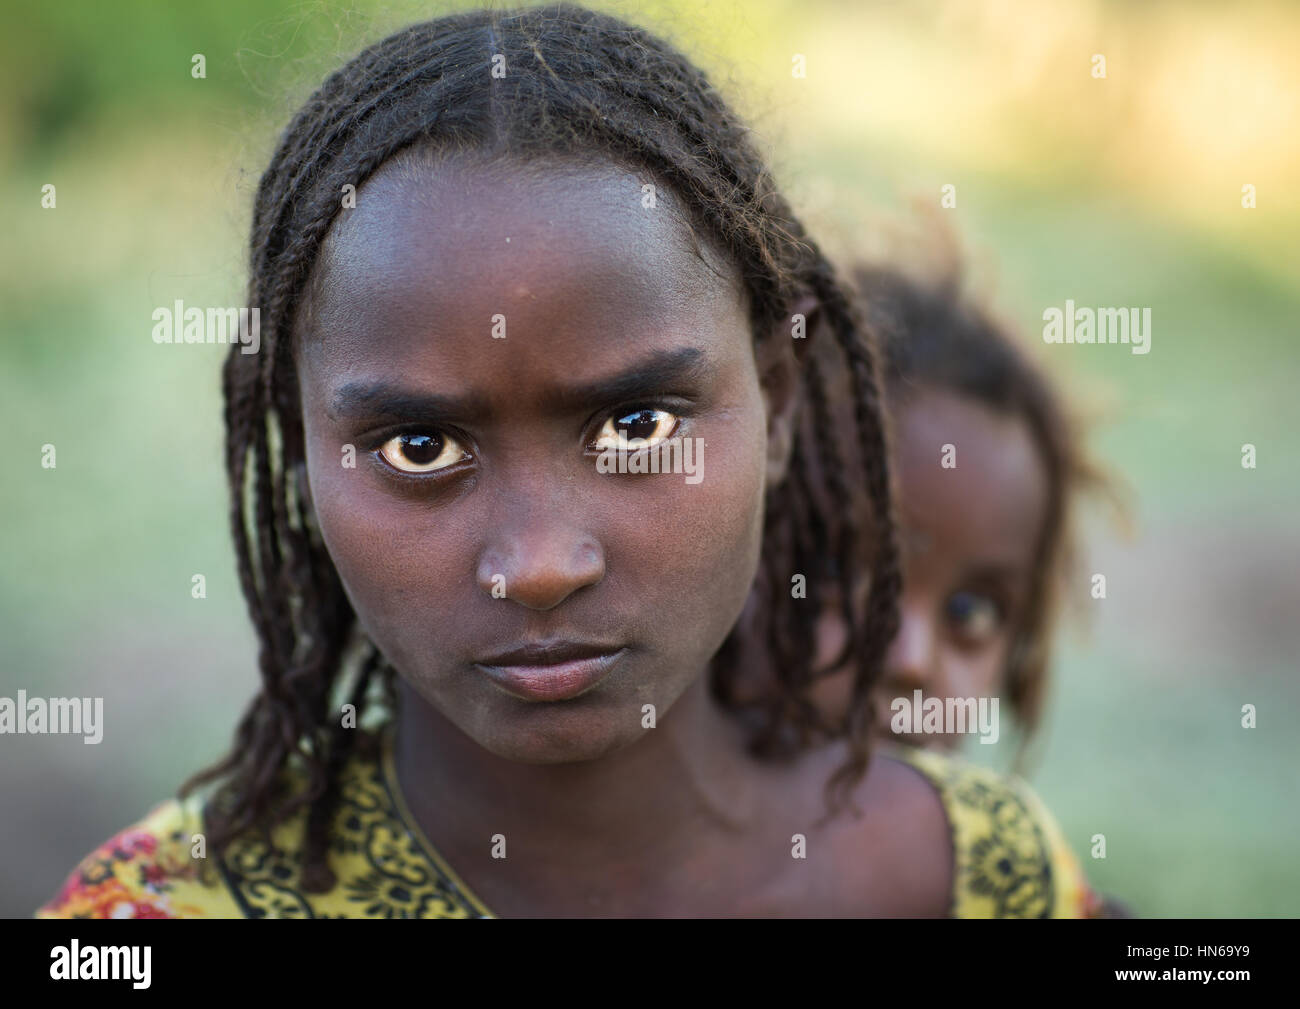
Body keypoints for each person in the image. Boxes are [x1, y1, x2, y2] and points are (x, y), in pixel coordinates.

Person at [38, 3, 1096, 918]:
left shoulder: (976, 876)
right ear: (302, 452)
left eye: (636, 426)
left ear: (775, 397)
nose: (540, 565)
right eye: (420, 447)